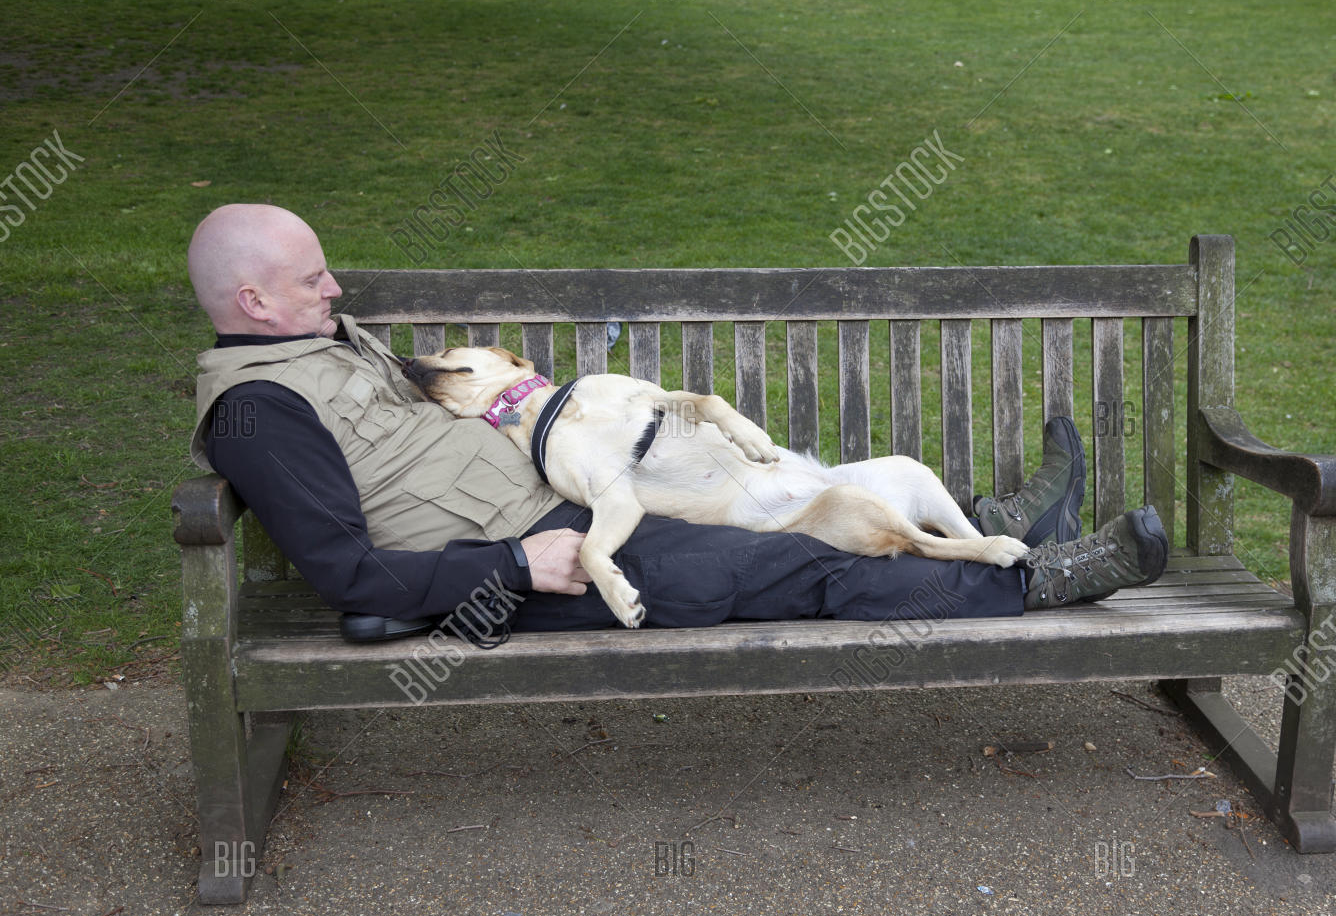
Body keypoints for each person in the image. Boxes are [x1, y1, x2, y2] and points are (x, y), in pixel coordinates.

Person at [185, 204, 1167, 640]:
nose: (335, 287)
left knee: (781, 486)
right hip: (546, 561)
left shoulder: (315, 345)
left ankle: (992, 524)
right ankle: (1035, 579)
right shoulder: (258, 414)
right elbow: (347, 576)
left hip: (579, 497)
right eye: (312, 279)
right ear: (252, 302)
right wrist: (515, 565)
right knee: (797, 563)